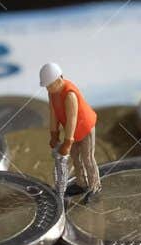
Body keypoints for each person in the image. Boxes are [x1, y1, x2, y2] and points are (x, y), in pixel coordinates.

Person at [39, 61, 100, 201]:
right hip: (72, 132)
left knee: (88, 159)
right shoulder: (52, 93)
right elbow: (53, 114)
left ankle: (95, 187)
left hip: (85, 129)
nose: (48, 88)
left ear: (59, 79)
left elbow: (72, 120)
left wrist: (67, 142)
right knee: (75, 158)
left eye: (50, 85)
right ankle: (81, 184)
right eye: (47, 86)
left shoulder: (69, 95)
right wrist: (54, 135)